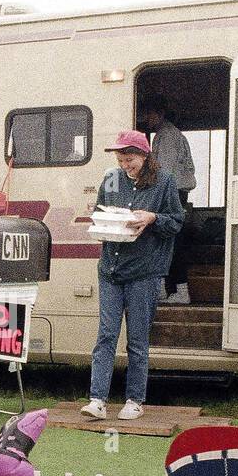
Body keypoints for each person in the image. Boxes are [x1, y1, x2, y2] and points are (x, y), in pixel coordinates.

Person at [82, 130, 184, 421]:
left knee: (137, 340)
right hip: (111, 269)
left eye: (130, 160)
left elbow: (176, 221)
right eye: (120, 159)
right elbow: (99, 211)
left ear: (144, 156)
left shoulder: (164, 181)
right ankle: (97, 399)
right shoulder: (111, 178)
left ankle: (134, 400)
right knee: (106, 335)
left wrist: (152, 218)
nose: (124, 165)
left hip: (145, 272)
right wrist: (100, 217)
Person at [138, 98, 197, 305]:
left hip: (173, 193)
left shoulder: (167, 136)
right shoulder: (170, 134)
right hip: (175, 192)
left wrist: (153, 197)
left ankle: (179, 290)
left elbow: (165, 172)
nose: (146, 119)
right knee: (167, 241)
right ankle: (164, 289)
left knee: (170, 242)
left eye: (149, 114)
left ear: (160, 113)